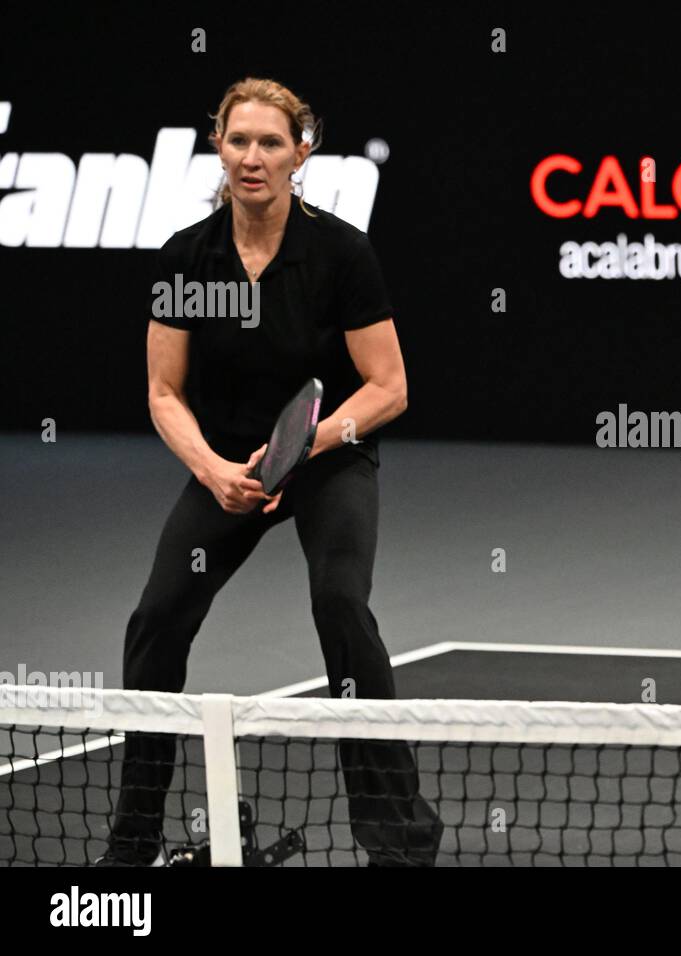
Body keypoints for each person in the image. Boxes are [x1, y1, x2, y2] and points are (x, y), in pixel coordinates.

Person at [97, 77, 442, 866]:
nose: (253, 158)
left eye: (271, 143)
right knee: (155, 623)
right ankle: (131, 845)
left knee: (341, 605)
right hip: (228, 468)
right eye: (239, 140)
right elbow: (162, 392)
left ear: (301, 153)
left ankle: (398, 841)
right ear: (218, 145)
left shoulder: (342, 252)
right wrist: (216, 470)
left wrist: (305, 448)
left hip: (327, 460)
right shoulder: (188, 256)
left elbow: (389, 388)